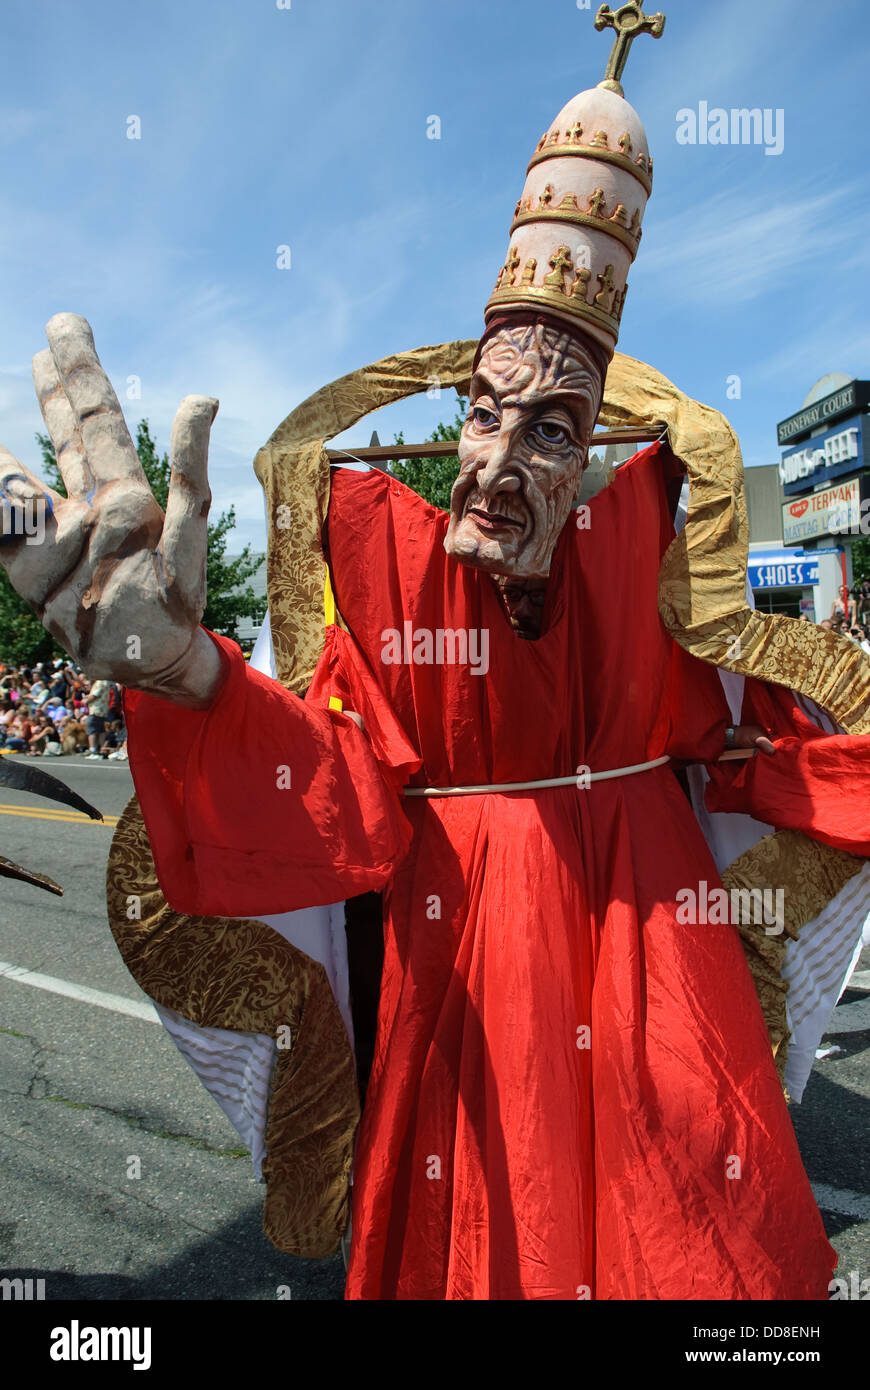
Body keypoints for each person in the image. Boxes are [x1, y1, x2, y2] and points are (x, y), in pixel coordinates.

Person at [0, 12, 867, 1301]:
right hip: (462, 963)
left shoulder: (657, 563)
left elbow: (778, 741)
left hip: (658, 960)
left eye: (551, 430)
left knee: (687, 1242)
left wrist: (744, 766)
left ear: (598, 465)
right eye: (480, 410)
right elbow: (336, 797)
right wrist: (189, 672)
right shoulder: (382, 562)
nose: (496, 459)